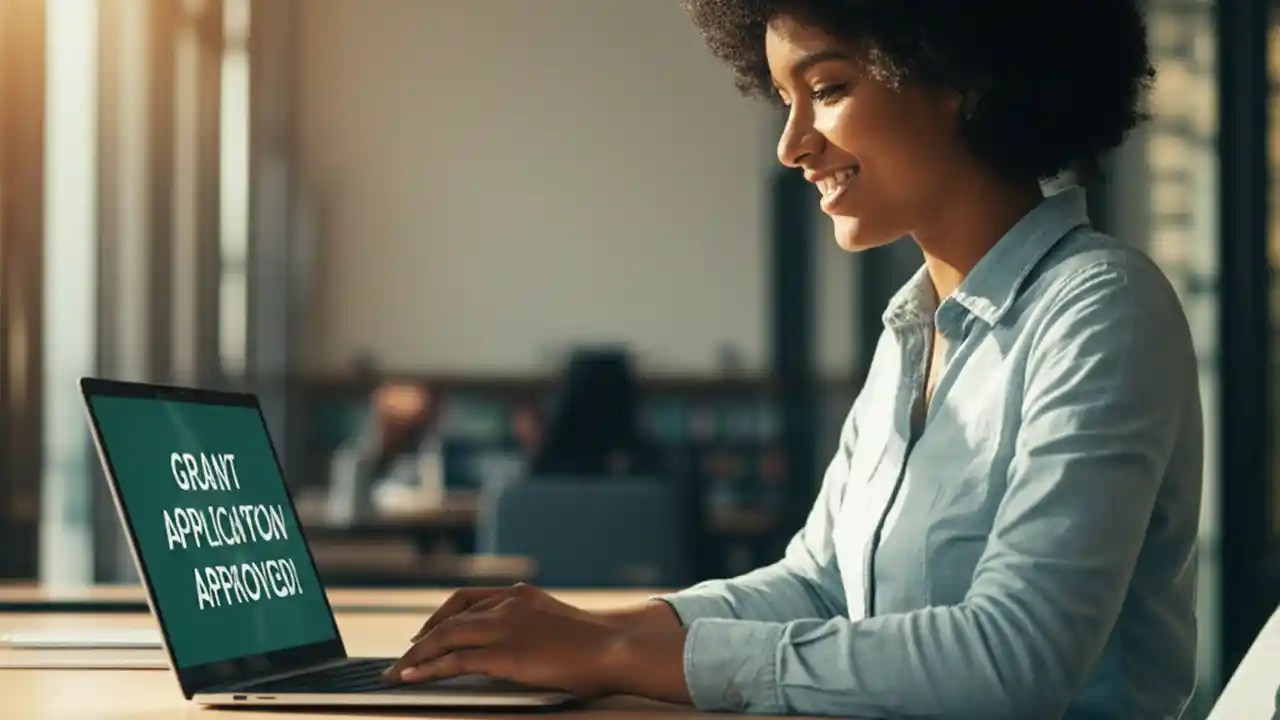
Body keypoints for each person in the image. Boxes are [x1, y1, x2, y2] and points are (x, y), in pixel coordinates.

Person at [384, 1, 1201, 717]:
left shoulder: (1100, 308)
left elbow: (1013, 659)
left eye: (829, 89)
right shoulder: (914, 329)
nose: (791, 145)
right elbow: (818, 585)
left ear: (961, 75)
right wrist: (589, 630)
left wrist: (621, 656)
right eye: (784, 101)